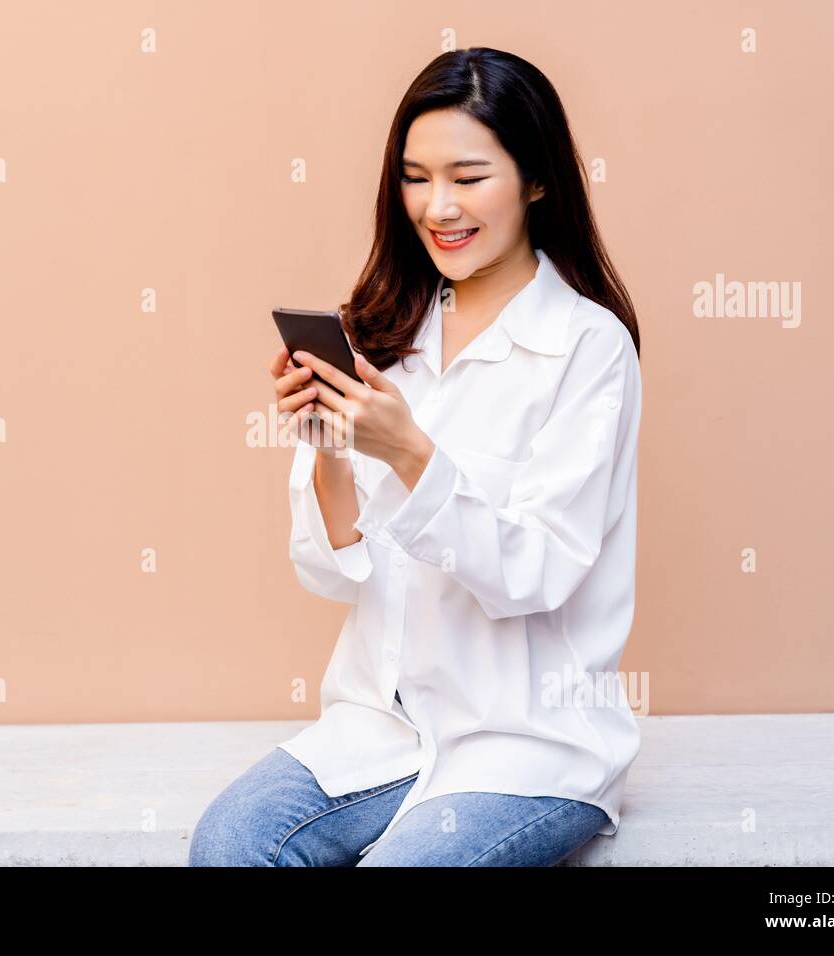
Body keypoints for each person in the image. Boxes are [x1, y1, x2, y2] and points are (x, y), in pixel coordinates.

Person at [191, 46, 642, 867]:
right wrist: (330, 449)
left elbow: (536, 573)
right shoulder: (383, 330)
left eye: (469, 178)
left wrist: (409, 453)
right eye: (415, 177)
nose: (438, 207)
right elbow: (334, 575)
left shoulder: (588, 348)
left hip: (525, 743)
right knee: (228, 845)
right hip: (380, 729)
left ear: (537, 180)